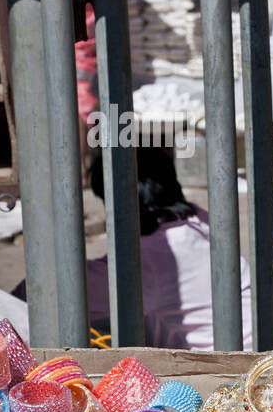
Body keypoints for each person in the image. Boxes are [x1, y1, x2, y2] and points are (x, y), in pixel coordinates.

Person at [87, 149, 254, 350]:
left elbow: (67, 295)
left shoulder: (147, 259)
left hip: (217, 371)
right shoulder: (200, 220)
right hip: (250, 356)